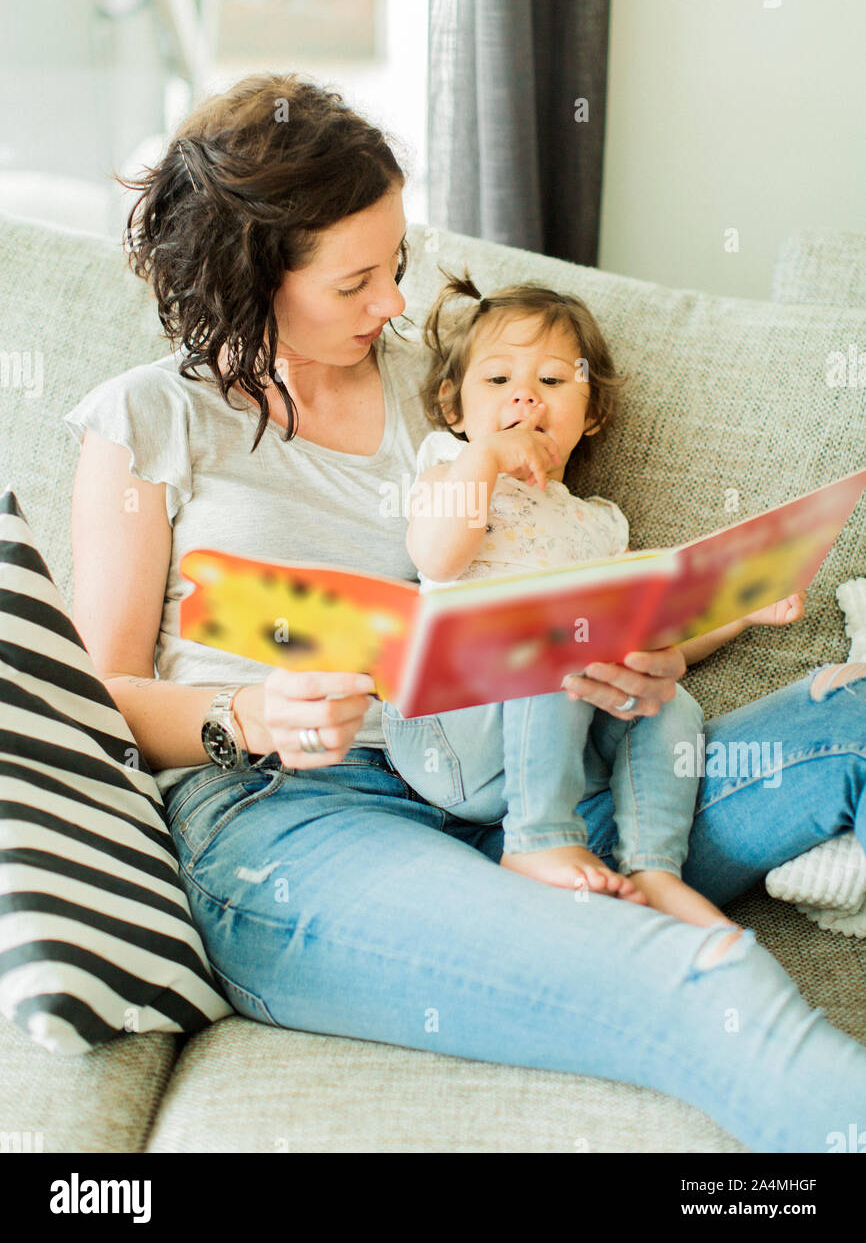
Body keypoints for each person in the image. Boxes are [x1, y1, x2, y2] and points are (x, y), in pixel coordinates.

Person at [63, 73, 866, 1152]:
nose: (391, 303)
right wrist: (244, 714)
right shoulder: (146, 420)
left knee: (849, 716)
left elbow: (556, 573)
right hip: (295, 823)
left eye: (394, 265)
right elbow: (95, 697)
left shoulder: (447, 380)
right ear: (254, 276)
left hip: (528, 774)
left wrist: (628, 651)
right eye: (354, 283)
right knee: (681, 973)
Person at [381, 271, 805, 929]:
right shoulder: (451, 467)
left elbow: (652, 641)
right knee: (558, 635)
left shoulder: (599, 524)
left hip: (552, 745)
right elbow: (436, 555)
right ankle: (537, 840)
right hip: (446, 725)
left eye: (552, 381)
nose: (525, 394)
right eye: (498, 380)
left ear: (593, 413)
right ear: (455, 407)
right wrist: (487, 458)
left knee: (664, 696)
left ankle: (655, 866)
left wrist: (737, 608)